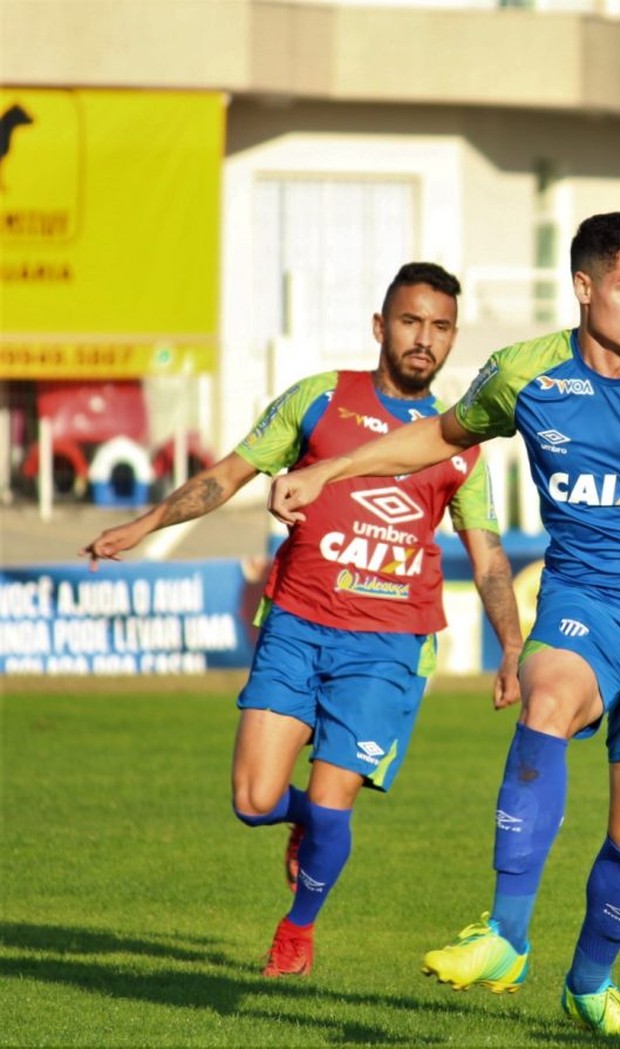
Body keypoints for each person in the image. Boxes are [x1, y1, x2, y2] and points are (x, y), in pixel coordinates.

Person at [268, 213, 620, 1038]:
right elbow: (438, 436)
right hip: (585, 597)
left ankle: (588, 985)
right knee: (545, 698)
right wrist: (332, 468)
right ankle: (507, 933)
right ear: (585, 287)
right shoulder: (527, 373)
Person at [80, 262, 523, 979]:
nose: (424, 339)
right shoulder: (321, 399)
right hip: (296, 622)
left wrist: (510, 646)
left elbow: (491, 556)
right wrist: (145, 523)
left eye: (440, 327)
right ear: (380, 327)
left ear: (452, 338)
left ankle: (298, 928)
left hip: (387, 645)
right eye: (411, 321)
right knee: (254, 800)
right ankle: (301, 824)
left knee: (333, 798)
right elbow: (228, 472)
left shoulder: (458, 441)